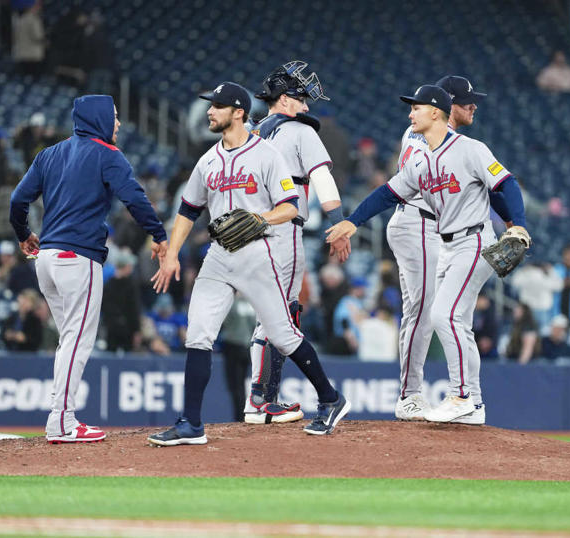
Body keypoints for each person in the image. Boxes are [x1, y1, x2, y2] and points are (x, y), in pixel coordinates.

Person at [147, 82, 349, 446]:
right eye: (211, 105)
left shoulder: (267, 155)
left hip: (258, 254)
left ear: (238, 112)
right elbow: (188, 210)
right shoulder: (208, 160)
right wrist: (172, 253)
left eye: (217, 106)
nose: (210, 111)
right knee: (198, 334)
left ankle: (330, 397)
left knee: (283, 335)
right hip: (218, 256)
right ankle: (191, 423)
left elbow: (290, 206)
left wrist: (259, 219)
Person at [327, 85, 529, 423]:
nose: (410, 114)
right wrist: (352, 222)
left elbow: (506, 183)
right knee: (457, 322)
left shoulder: (470, 149)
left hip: (474, 241)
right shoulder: (422, 161)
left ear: (436, 112)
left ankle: (461, 396)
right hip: (445, 244)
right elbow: (387, 192)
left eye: (416, 108)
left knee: (443, 315)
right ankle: (474, 404)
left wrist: (518, 225)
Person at [9, 94, 168, 444]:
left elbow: (18, 200)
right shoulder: (107, 154)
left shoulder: (49, 154)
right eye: (114, 115)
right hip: (77, 258)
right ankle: (61, 421)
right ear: (98, 118)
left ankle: (60, 415)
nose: (118, 123)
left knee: (69, 339)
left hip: (46, 259)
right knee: (77, 341)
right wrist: (158, 234)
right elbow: (134, 197)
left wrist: (23, 234)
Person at [387, 75, 513, 424]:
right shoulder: (422, 136)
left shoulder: (457, 144)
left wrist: (512, 223)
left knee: (457, 320)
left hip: (442, 229)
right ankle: (410, 395)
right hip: (418, 222)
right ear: (446, 106)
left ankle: (472, 400)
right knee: (426, 311)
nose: (474, 106)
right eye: (467, 101)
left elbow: (486, 187)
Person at [245, 60, 351, 424]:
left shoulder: (251, 135)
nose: (306, 106)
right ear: (285, 99)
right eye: (301, 98)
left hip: (251, 231)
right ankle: (262, 399)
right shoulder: (300, 131)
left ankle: (262, 398)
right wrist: (339, 224)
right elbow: (322, 180)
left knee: (268, 314)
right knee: (281, 314)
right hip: (283, 229)